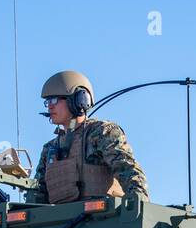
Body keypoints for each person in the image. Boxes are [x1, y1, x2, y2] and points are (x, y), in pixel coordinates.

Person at [25, 70, 149, 204]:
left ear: (79, 100)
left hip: (103, 218)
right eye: (47, 101)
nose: (49, 106)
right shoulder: (50, 149)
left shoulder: (101, 132)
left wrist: (138, 203)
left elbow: (128, 170)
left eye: (54, 99)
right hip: (64, 222)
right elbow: (38, 195)